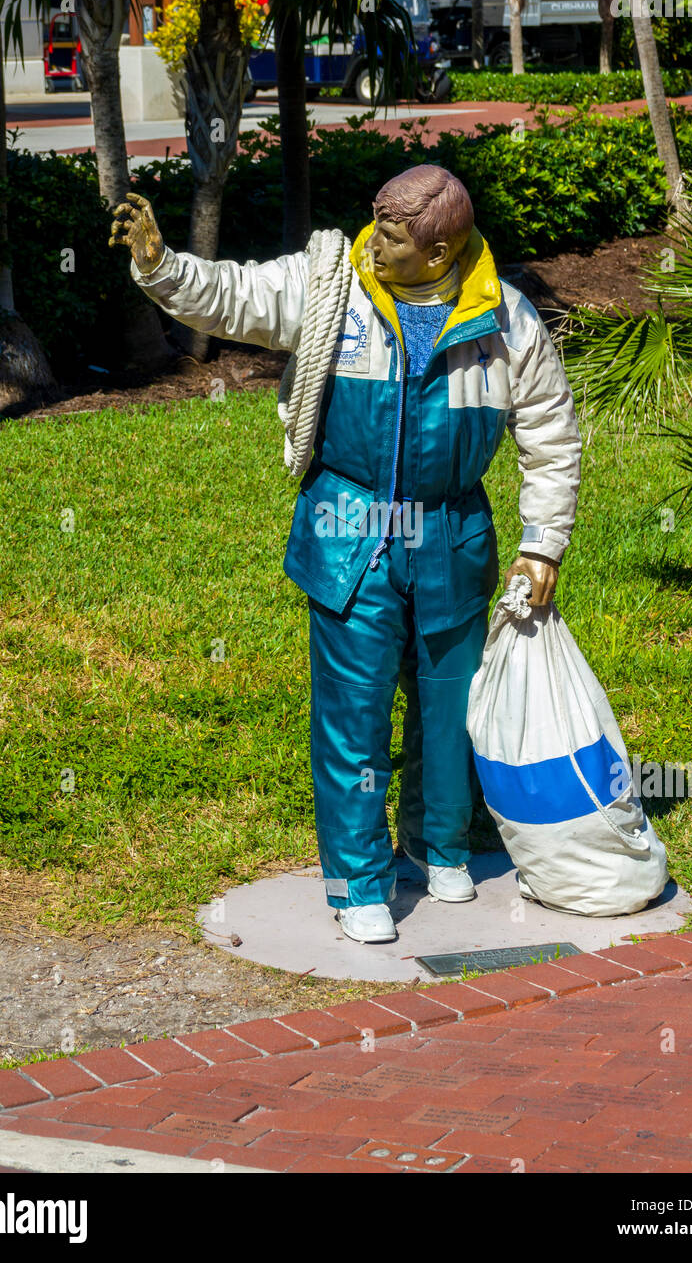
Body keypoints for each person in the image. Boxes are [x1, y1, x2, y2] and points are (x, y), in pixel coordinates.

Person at [109, 165, 581, 944]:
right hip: (348, 529)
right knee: (352, 711)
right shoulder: (332, 284)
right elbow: (238, 297)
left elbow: (550, 436)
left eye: (392, 236)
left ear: (440, 253)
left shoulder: (507, 319)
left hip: (450, 536)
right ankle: (358, 881)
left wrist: (543, 545)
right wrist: (162, 266)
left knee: (451, 703)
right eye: (376, 221)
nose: (374, 241)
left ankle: (439, 846)